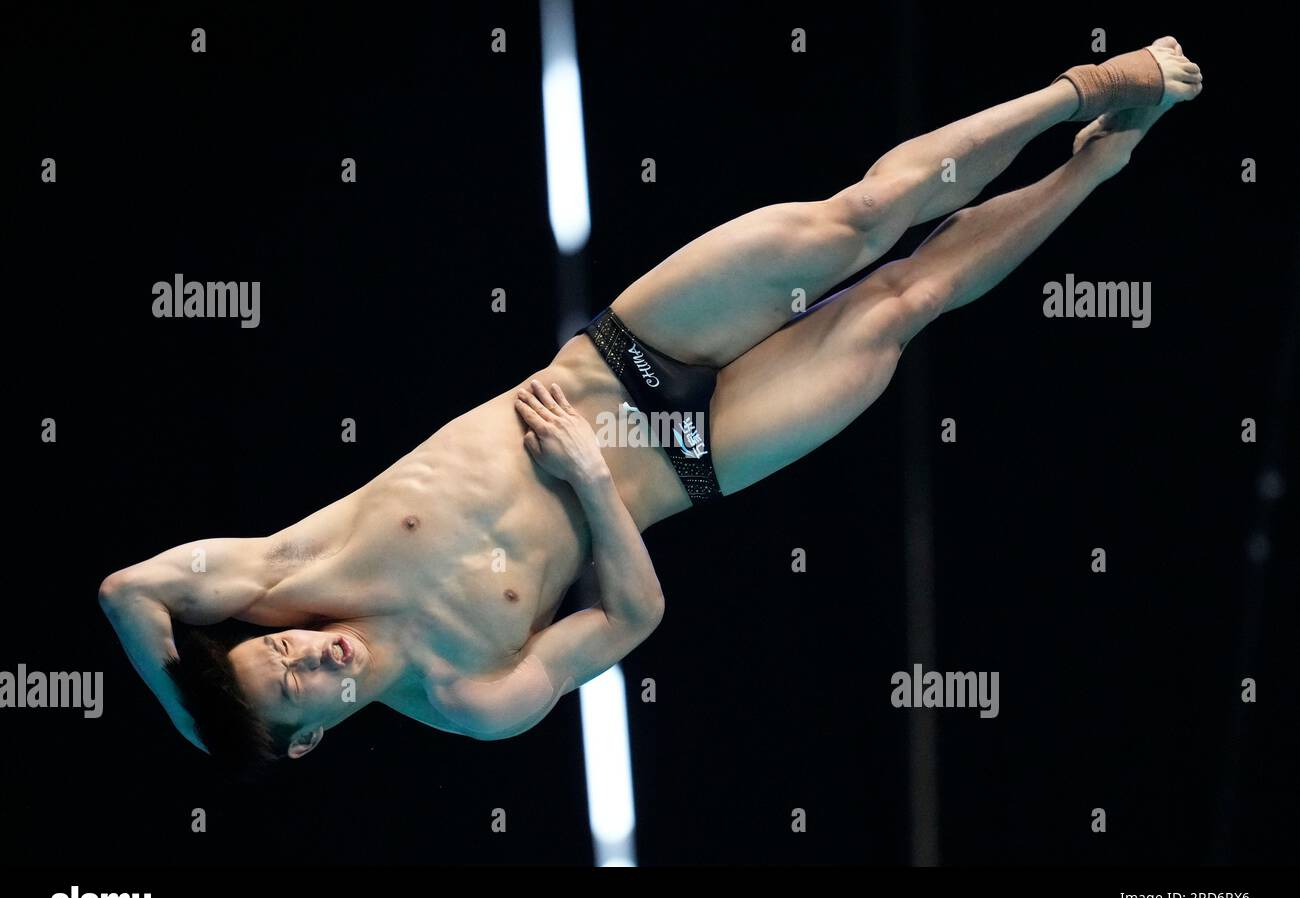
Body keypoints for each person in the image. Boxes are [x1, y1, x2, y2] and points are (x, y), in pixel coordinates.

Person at [99, 38, 1202, 771]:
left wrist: (212, 719)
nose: (307, 658)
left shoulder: (290, 572)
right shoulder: (466, 696)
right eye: (295, 689)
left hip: (629, 352)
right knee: (897, 307)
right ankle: (1096, 164)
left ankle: (1082, 88)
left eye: (280, 653)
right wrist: (589, 482)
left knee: (859, 219)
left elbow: (126, 590)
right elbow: (633, 617)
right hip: (691, 458)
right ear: (310, 738)